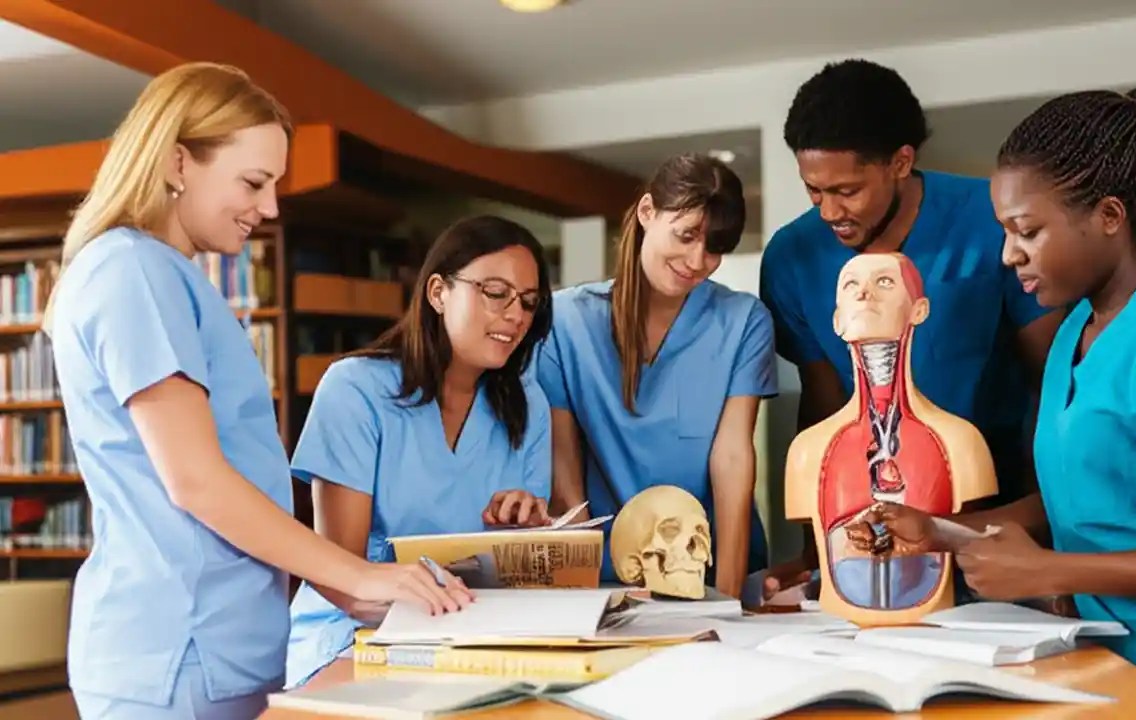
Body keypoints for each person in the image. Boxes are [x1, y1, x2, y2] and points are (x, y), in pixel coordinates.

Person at [46, 62, 464, 720]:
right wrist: (351, 576)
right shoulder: (135, 271)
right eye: (253, 182)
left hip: (210, 646)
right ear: (178, 161)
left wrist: (346, 586)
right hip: (180, 651)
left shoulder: (164, 275)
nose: (268, 208)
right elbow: (197, 481)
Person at [864, 88, 1136, 719]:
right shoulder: (1072, 335)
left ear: (1110, 215)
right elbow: (1088, 498)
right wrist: (938, 532)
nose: (1009, 255)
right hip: (1114, 669)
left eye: (1027, 231)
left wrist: (1052, 572)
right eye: (1004, 232)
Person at [750, 57, 1063, 605]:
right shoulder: (791, 256)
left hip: (1001, 520)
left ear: (900, 161)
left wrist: (1048, 533)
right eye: (813, 191)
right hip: (872, 540)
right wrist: (816, 550)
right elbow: (824, 406)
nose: (829, 211)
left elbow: (1059, 384)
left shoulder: (990, 222)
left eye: (847, 190)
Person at [284, 215, 555, 688]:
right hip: (359, 631)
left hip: (477, 630)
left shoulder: (527, 404)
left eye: (529, 303)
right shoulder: (355, 390)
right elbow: (341, 573)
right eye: (495, 292)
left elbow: (522, 574)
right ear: (438, 292)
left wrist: (528, 532)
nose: (515, 315)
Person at [536, 154, 778, 598]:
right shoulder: (565, 322)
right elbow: (565, 477)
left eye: (715, 248)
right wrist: (585, 589)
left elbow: (732, 460)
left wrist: (725, 599)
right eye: (686, 236)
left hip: (707, 566)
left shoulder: (744, 321)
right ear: (648, 212)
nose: (697, 260)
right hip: (607, 573)